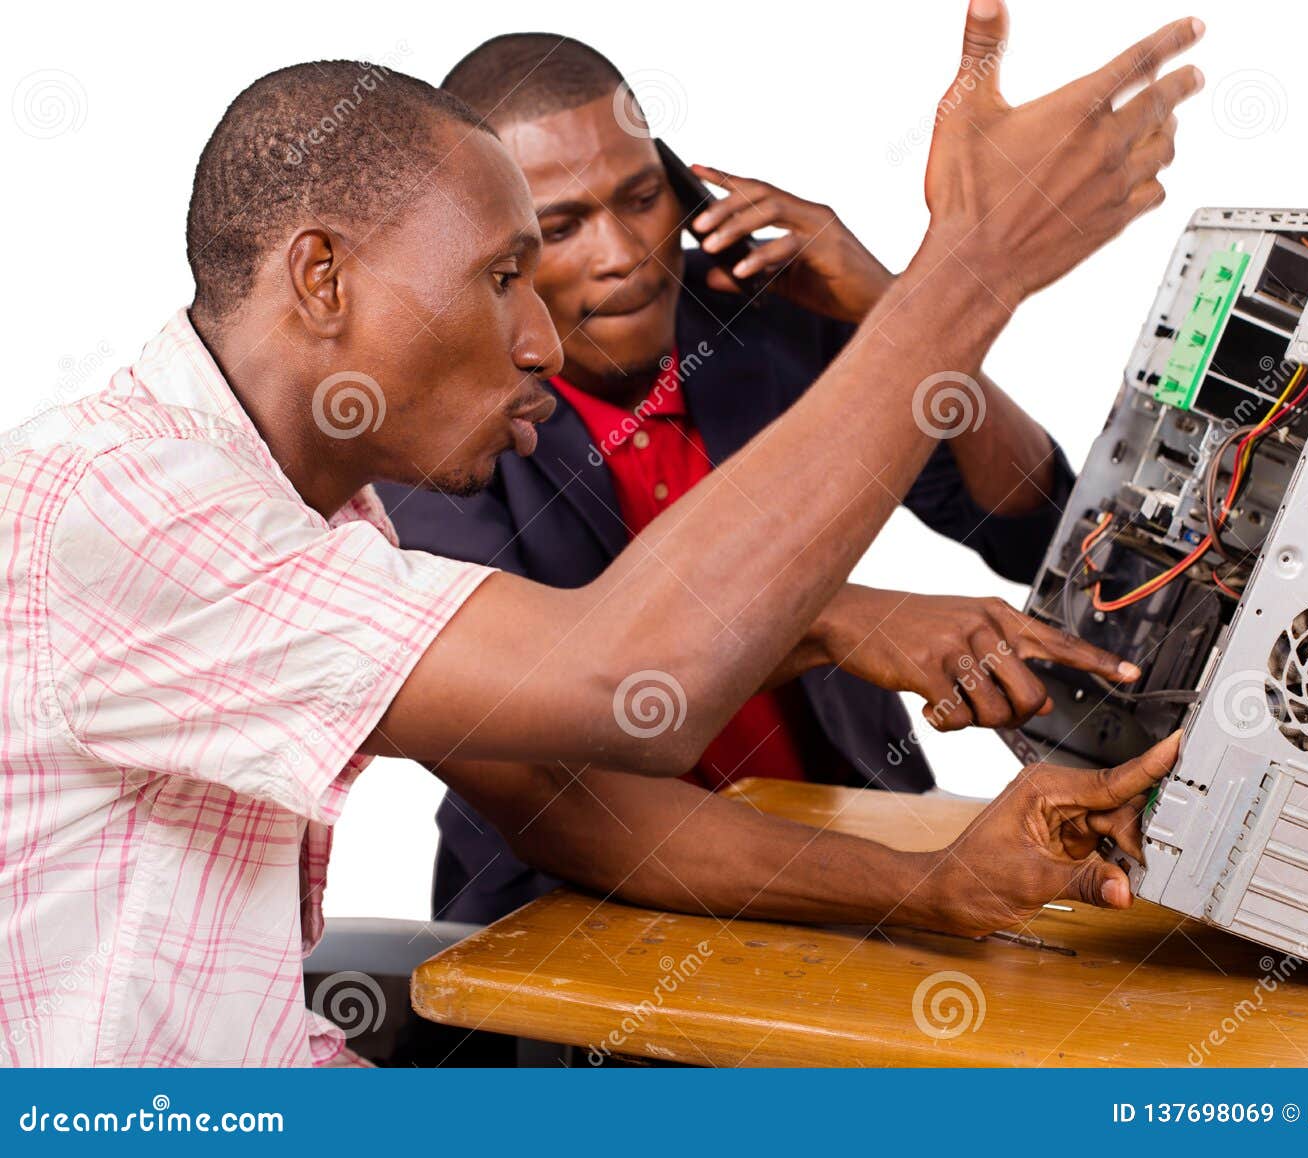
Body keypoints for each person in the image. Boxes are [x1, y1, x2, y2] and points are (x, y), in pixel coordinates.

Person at [0, 0, 1203, 1065]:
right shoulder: (130, 506)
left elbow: (568, 802)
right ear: (321, 278)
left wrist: (934, 885)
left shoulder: (301, 512)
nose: (541, 338)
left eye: (638, 206)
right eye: (502, 275)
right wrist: (969, 268)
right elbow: (635, 679)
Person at [379, 32, 1125, 923]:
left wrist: (897, 309)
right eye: (561, 226)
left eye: (642, 197)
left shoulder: (766, 321)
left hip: (846, 840)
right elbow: (543, 711)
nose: (622, 253)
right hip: (578, 898)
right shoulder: (423, 428)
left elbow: (1028, 526)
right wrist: (839, 619)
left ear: (684, 190)